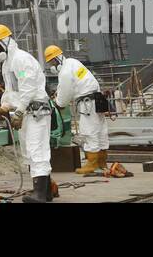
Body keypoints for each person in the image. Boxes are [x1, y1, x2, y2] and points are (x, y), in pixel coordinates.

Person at [0, 24, 53, 203]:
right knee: (30, 151)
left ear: (5, 41)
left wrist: (19, 111)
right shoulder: (7, 65)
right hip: (26, 113)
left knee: (36, 149)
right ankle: (45, 192)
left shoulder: (21, 59)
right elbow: (12, 92)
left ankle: (40, 194)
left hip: (35, 112)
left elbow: (28, 86)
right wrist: (4, 107)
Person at [45, 45, 110, 174]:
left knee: (89, 131)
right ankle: (102, 161)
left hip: (87, 104)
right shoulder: (73, 62)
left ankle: (92, 163)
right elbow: (70, 85)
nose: (52, 65)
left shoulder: (64, 71)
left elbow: (64, 95)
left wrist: (58, 102)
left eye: (52, 62)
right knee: (100, 130)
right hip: (97, 100)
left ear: (57, 59)